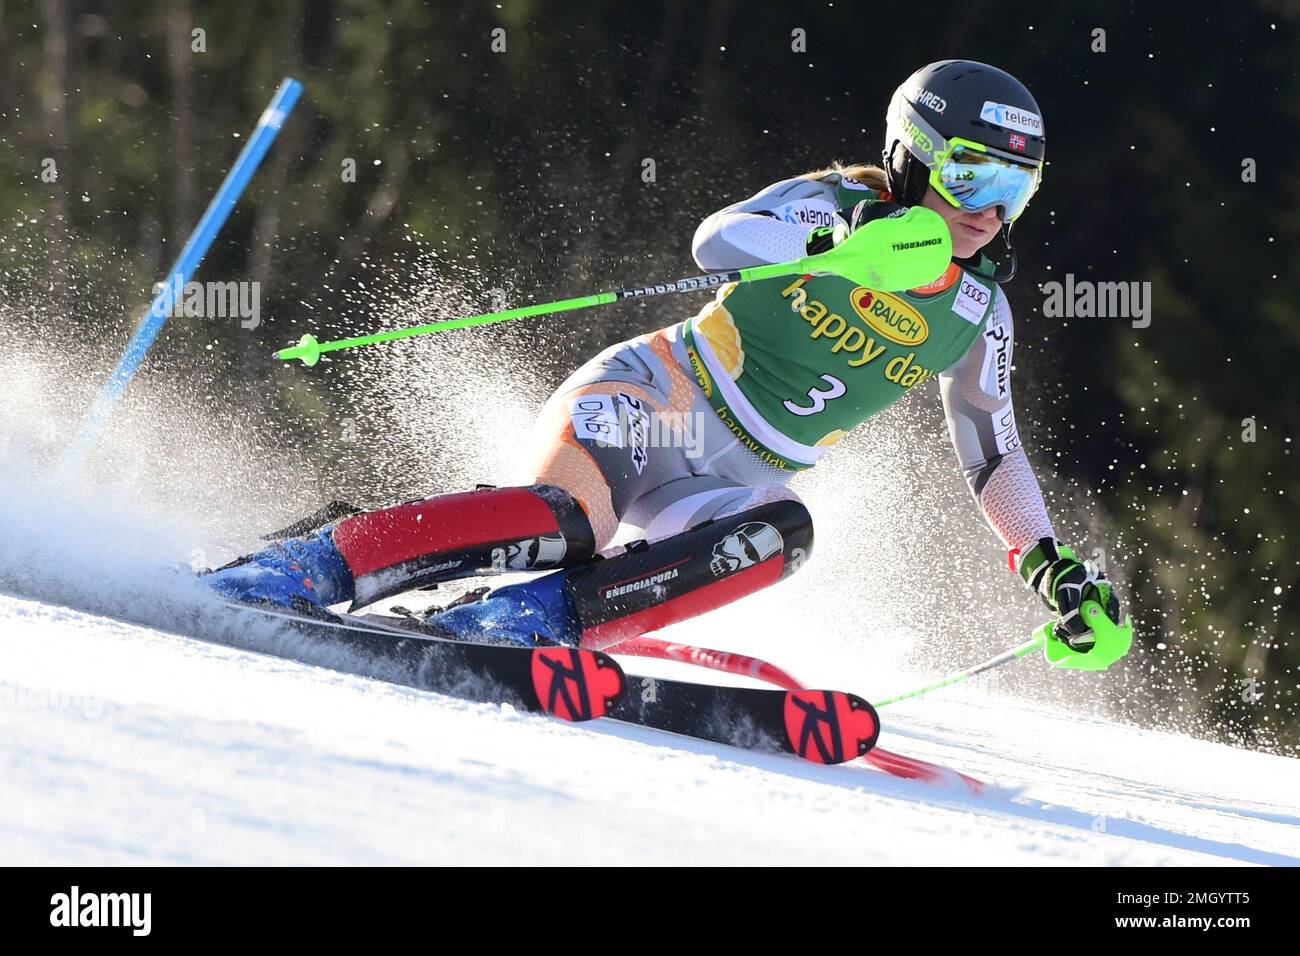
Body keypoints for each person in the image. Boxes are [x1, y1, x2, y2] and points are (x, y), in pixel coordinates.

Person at [204, 59, 1123, 653]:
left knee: (782, 533)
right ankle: (313, 564)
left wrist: (1044, 559)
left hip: (725, 479)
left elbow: (994, 451)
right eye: (972, 174)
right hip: (654, 398)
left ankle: (527, 626)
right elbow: (717, 241)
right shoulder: (834, 202)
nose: (990, 209)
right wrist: (842, 242)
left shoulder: (979, 311)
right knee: (567, 526)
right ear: (913, 157)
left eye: (1016, 187)